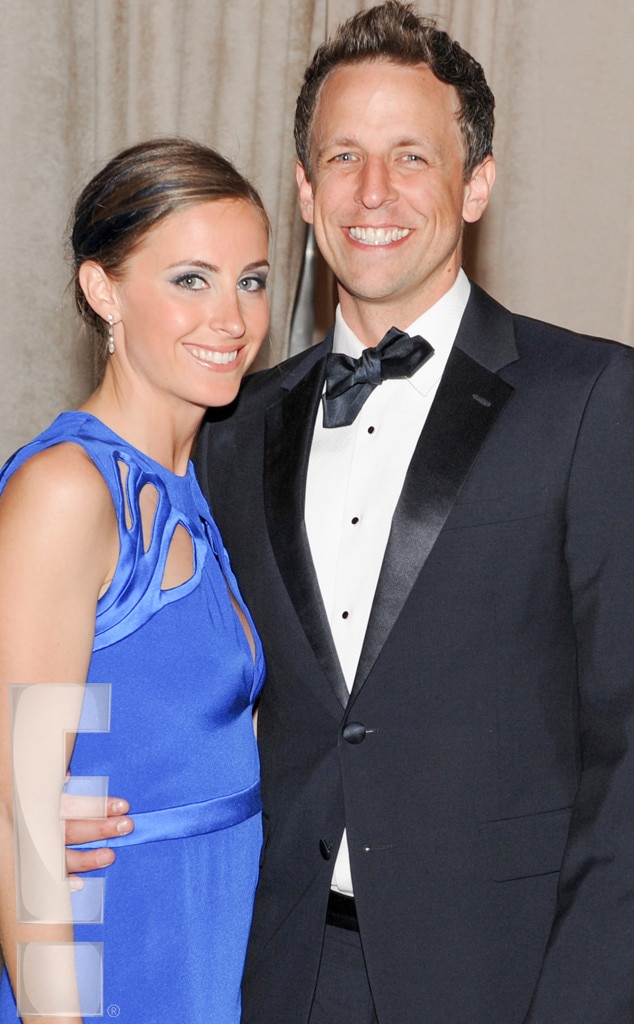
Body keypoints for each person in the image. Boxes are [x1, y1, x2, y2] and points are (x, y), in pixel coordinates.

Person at [68, 4, 634, 1022]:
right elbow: (141, 649)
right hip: (267, 968)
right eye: (342, 156)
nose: (373, 193)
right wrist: (43, 796)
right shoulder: (230, 424)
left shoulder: (590, 398)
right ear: (303, 188)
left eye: (410, 156)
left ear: (475, 185)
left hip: (505, 981)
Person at [0, 137, 270, 1023]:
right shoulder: (69, 492)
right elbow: (22, 826)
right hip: (113, 962)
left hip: (204, 949)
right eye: (191, 279)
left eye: (253, 280)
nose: (230, 316)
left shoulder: (197, 485)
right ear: (102, 289)